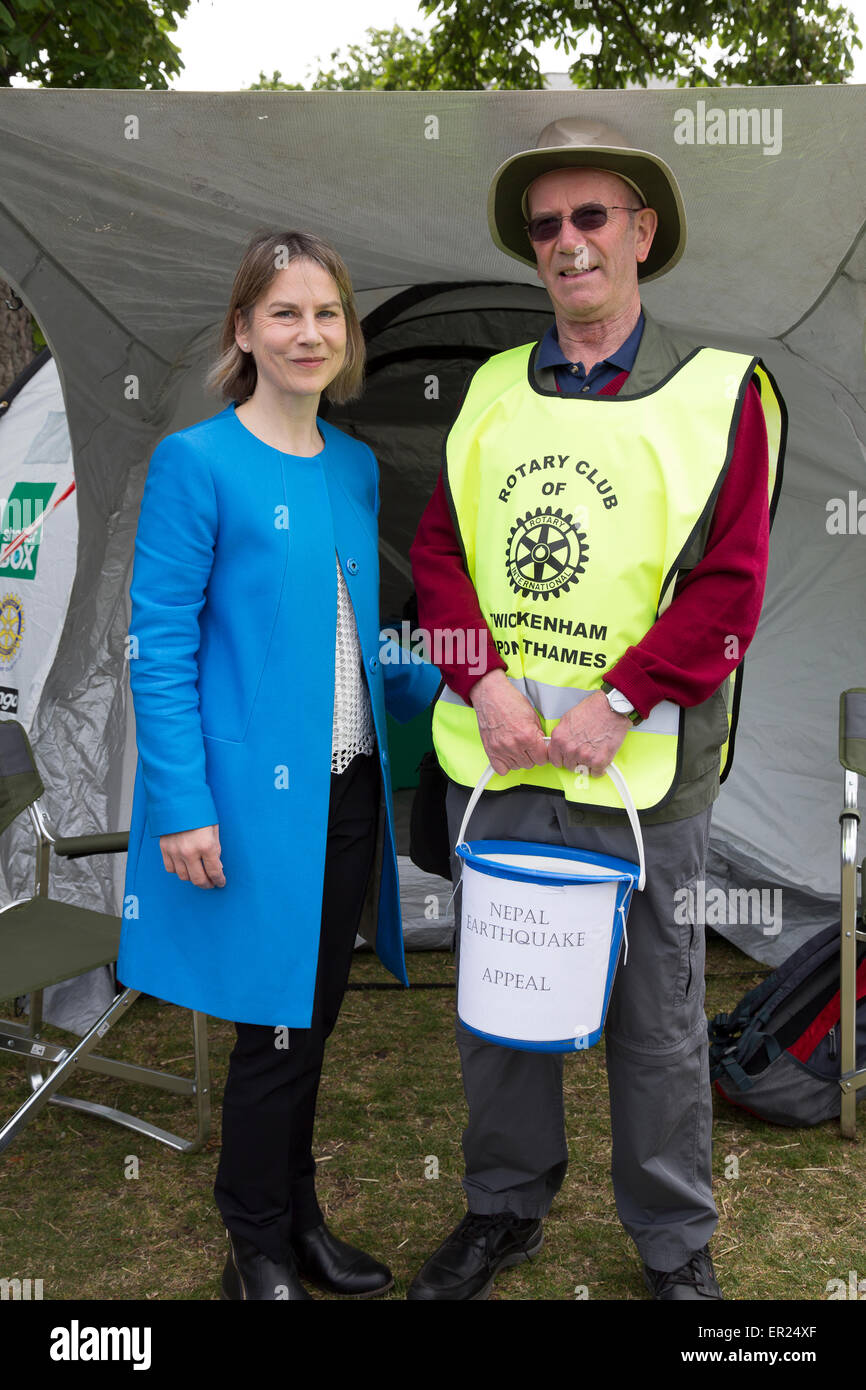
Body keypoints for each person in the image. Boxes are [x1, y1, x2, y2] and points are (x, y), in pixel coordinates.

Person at [408, 119, 785, 1301]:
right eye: (544, 226)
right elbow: (437, 559)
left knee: (654, 1013)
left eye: (589, 217)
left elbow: (727, 589)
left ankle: (671, 1243)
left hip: (637, 769)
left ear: (641, 232)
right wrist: (480, 681)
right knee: (500, 999)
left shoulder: (721, 393)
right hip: (498, 761)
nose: (566, 242)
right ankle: (501, 1206)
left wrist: (620, 700)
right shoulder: (489, 392)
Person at [118, 229, 439, 1301]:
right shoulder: (197, 462)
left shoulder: (352, 465)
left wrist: (460, 679)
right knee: (273, 1025)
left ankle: (298, 1221)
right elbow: (160, 643)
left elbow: (350, 636)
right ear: (244, 330)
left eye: (327, 313)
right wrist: (181, 802)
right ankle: (253, 1243)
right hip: (250, 806)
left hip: (349, 793)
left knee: (311, 1020)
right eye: (286, 312)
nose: (310, 333)